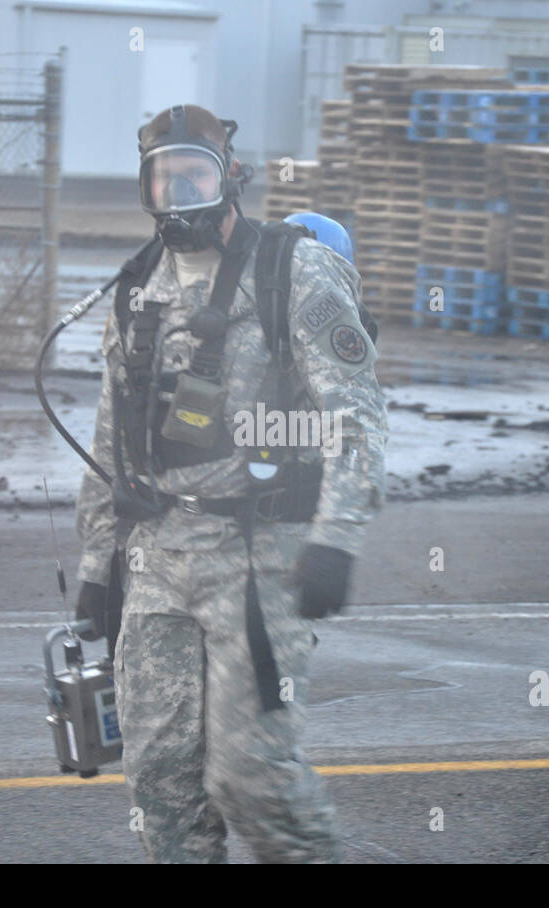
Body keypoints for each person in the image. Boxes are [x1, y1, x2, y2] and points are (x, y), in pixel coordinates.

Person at [72, 104, 387, 863]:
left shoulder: (293, 272)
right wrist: (94, 566)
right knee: (161, 784)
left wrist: (335, 538)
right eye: (162, 179)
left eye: (195, 175)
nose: (178, 194)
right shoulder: (135, 288)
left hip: (257, 560)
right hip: (154, 560)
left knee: (251, 776)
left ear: (231, 179)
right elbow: (109, 439)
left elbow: (358, 418)